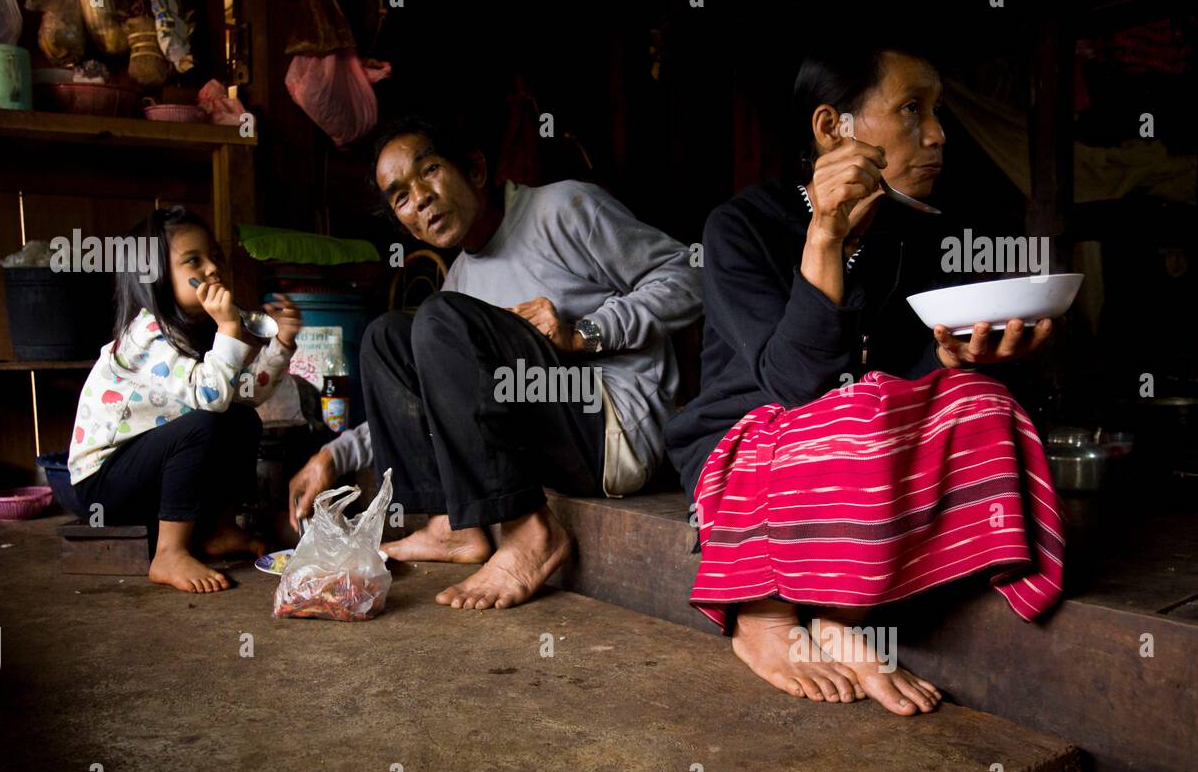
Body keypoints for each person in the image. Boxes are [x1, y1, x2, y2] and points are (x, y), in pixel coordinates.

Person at [664, 41, 1064, 715]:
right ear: (833, 129)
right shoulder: (741, 227)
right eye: (912, 110)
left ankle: (843, 619)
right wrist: (823, 236)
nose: (937, 133)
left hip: (866, 444)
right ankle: (760, 613)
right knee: (862, 408)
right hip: (748, 449)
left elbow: (903, 382)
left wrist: (957, 363)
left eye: (935, 112)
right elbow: (794, 385)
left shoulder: (919, 234)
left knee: (983, 402)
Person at [288, 116, 701, 609]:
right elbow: (430, 400)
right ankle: (448, 525)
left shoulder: (564, 207)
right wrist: (332, 456)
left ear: (476, 170)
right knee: (386, 337)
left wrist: (587, 331)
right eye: (400, 197)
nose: (419, 198)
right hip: (546, 440)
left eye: (431, 170)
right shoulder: (459, 282)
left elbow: (691, 276)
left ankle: (533, 534)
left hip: (612, 425)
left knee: (437, 319)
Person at [68, 207, 302, 592]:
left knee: (241, 419)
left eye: (215, 255)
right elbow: (209, 398)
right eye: (194, 260)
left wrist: (281, 343)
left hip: (152, 480)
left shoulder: (202, 331)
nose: (213, 268)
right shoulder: (146, 335)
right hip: (103, 485)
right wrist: (229, 328)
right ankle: (169, 553)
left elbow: (244, 395)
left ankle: (221, 531)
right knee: (205, 421)